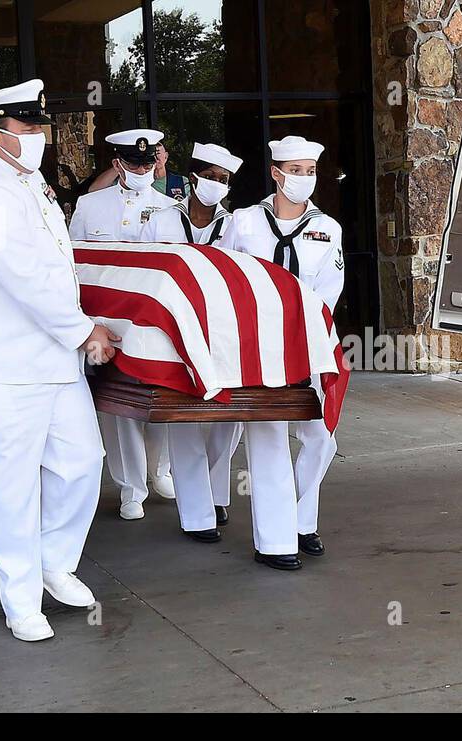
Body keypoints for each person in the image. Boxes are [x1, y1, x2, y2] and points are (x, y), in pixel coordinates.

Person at [0, 78, 118, 642]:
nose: (42, 136)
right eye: (30, 128)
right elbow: (20, 276)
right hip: (1, 368)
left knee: (82, 463)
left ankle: (52, 560)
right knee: (11, 487)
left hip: (50, 362)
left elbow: (54, 268)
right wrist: (84, 330)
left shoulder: (28, 182)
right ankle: (20, 600)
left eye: (40, 126)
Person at [216, 135, 344, 569]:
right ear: (276, 173)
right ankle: (275, 539)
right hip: (258, 343)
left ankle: (302, 519)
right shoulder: (245, 221)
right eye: (295, 171)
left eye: (310, 171)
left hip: (308, 339)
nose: (304, 179)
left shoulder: (328, 228)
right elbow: (223, 275)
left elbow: (330, 288)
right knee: (267, 435)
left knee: (320, 436)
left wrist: (306, 325)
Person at [69, 128, 177, 521]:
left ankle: (161, 469)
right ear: (118, 164)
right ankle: (131, 486)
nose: (143, 169)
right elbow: (74, 266)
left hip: (152, 322)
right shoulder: (89, 205)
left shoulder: (170, 208)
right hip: (105, 325)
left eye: (148, 163)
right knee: (117, 406)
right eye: (134, 163)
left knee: (163, 395)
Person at [140, 142, 243, 543]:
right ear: (193, 177)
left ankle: (217, 494)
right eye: (210, 177)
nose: (216, 185)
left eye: (224, 180)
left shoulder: (234, 225)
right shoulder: (161, 220)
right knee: (183, 417)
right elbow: (146, 273)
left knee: (228, 418)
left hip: (223, 333)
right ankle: (196, 512)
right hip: (174, 332)